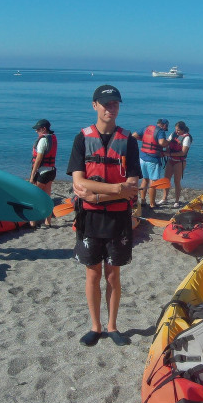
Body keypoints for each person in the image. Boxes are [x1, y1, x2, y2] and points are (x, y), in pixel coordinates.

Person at [66, 84, 141, 348]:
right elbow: (79, 182)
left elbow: (133, 184)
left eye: (116, 104)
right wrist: (115, 189)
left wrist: (99, 194)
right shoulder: (82, 139)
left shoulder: (128, 141)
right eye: (106, 104)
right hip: (90, 219)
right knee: (92, 274)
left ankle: (112, 327)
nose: (112, 108)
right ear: (94, 105)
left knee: (113, 275)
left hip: (118, 219)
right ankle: (95, 326)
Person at [132, 118, 169, 208]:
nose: (165, 129)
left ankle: (143, 200)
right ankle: (152, 204)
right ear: (164, 125)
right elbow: (162, 142)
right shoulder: (160, 131)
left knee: (145, 179)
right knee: (153, 182)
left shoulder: (147, 128)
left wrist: (144, 140)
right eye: (166, 127)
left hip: (142, 158)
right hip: (153, 159)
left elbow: (134, 135)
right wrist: (168, 142)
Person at [28, 119, 57, 227]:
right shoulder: (52, 138)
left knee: (34, 196)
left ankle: (32, 222)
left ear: (44, 129)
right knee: (47, 197)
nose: (36, 131)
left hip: (43, 172)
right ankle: (48, 221)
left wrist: (32, 176)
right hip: (51, 171)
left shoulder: (43, 140)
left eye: (38, 129)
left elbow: (39, 159)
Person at [163, 121, 192, 206]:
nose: (177, 131)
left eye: (178, 130)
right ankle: (164, 198)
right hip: (170, 160)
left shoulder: (187, 138)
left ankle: (176, 201)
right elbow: (167, 142)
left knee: (176, 181)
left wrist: (169, 154)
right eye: (176, 129)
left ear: (183, 130)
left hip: (179, 162)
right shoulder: (173, 134)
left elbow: (183, 152)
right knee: (166, 180)